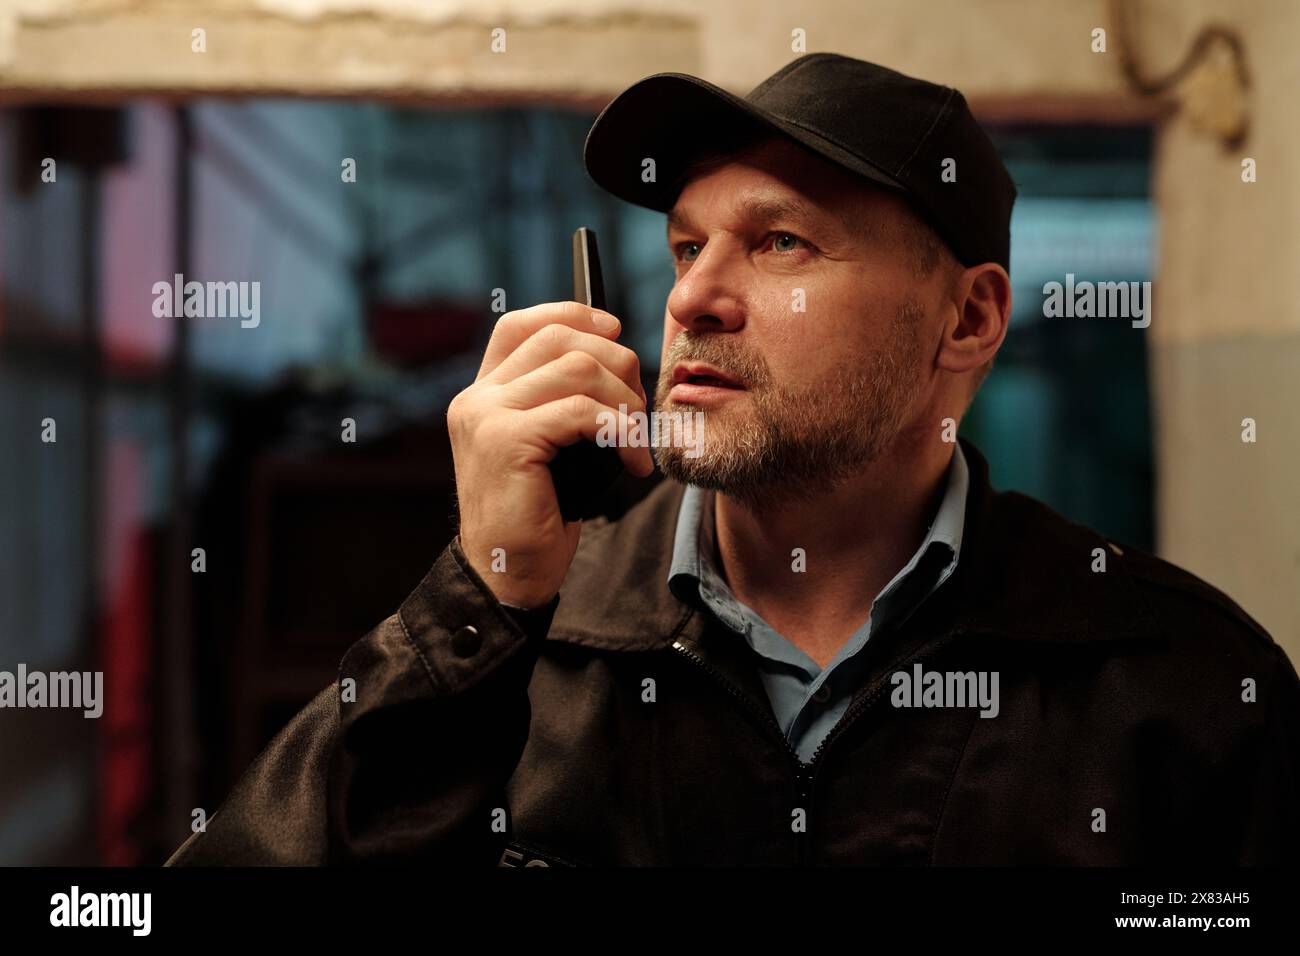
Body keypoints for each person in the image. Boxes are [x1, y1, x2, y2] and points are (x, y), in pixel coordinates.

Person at [167, 53, 1298, 866]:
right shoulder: (522, 631)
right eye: (684, 246)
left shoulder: (1176, 685)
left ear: (964, 321)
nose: (693, 297)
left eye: (780, 243)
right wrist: (485, 594)